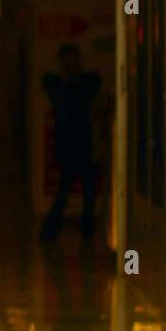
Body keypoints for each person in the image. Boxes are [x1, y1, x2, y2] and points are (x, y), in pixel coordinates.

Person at [40, 44, 102, 241]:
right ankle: (53, 229)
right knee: (65, 186)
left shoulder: (86, 81)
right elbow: (60, 99)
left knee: (87, 187)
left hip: (83, 138)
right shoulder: (54, 82)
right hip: (66, 139)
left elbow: (89, 91)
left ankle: (85, 228)